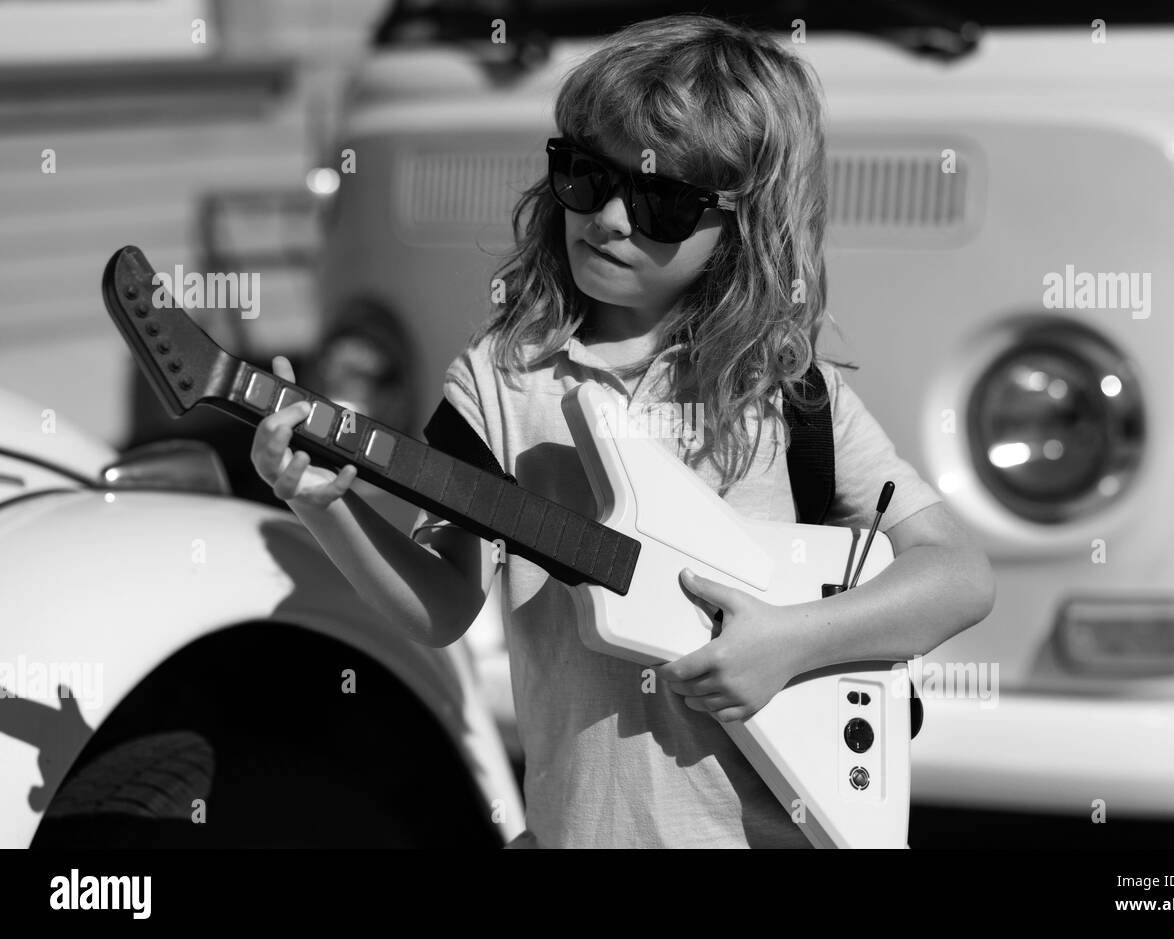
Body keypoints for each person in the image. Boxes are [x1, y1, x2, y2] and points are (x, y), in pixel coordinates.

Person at [250, 13, 995, 848]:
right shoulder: (501, 380)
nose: (607, 218)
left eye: (661, 202)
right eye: (584, 175)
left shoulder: (784, 392)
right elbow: (440, 606)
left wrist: (788, 644)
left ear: (741, 229)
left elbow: (960, 575)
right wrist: (323, 506)